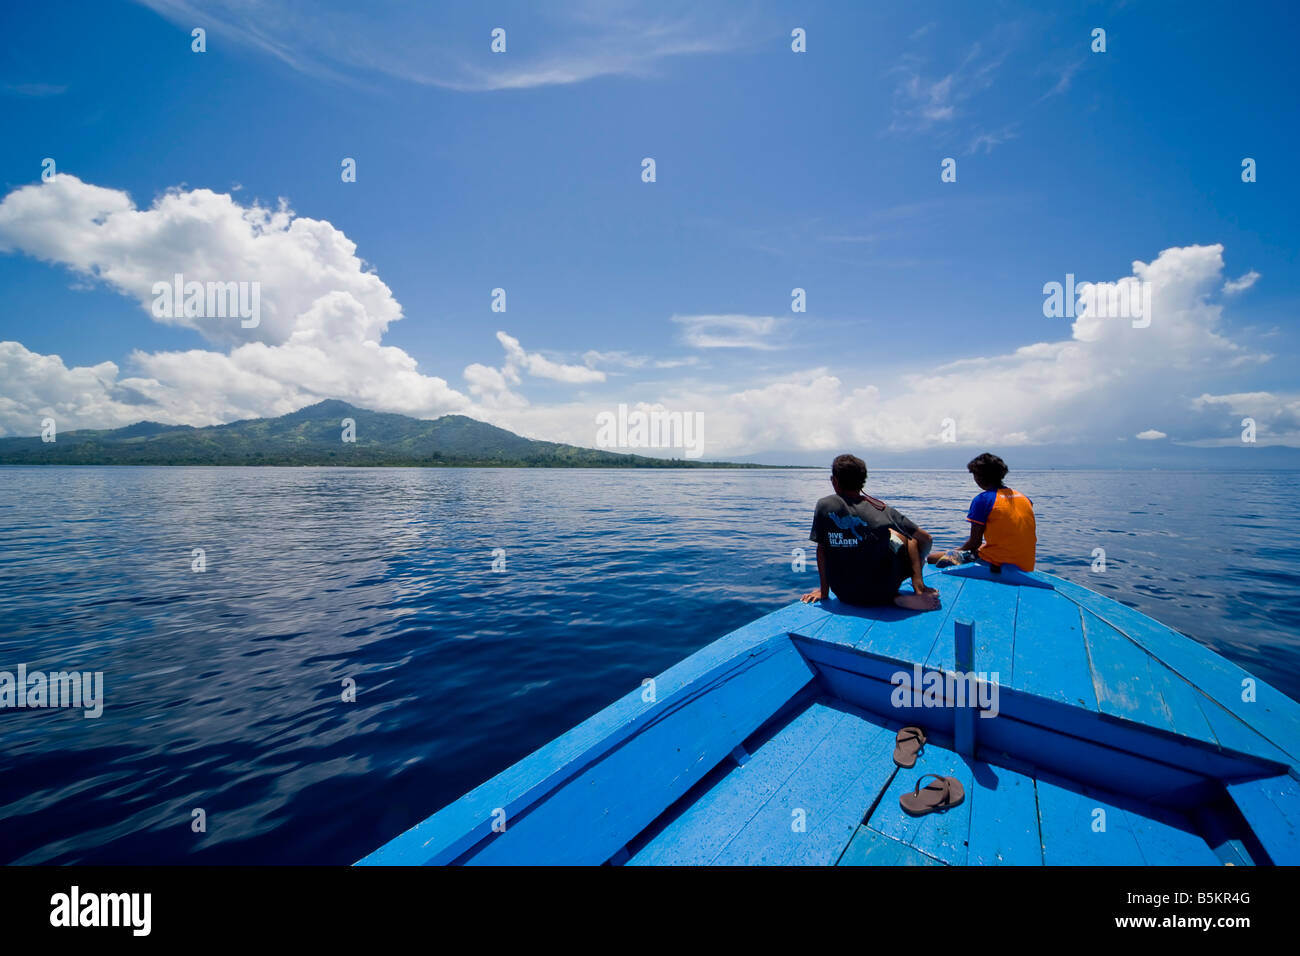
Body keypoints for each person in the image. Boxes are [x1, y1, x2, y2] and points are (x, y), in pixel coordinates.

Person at [800, 454, 941, 611]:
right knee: (910, 539)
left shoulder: (824, 505)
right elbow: (926, 538)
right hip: (883, 591)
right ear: (863, 481)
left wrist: (824, 592)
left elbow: (822, 550)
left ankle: (896, 596)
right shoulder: (882, 509)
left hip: (843, 593)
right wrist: (920, 561)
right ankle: (915, 587)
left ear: (835, 481)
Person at [928, 452, 1037, 571]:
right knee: (981, 547)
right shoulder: (1023, 497)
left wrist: (954, 552)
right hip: (1026, 563)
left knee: (932, 558)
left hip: (997, 563)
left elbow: (974, 543)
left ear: (979, 477)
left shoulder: (983, 500)